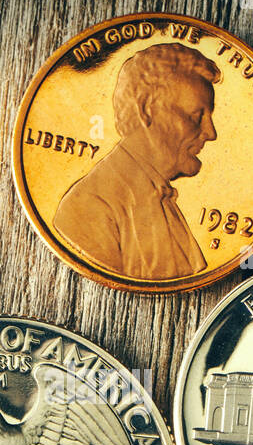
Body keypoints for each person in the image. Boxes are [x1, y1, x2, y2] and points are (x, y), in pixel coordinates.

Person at [54, 43, 220, 280]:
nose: (210, 133)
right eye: (195, 116)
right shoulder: (90, 207)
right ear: (145, 110)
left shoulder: (160, 195)